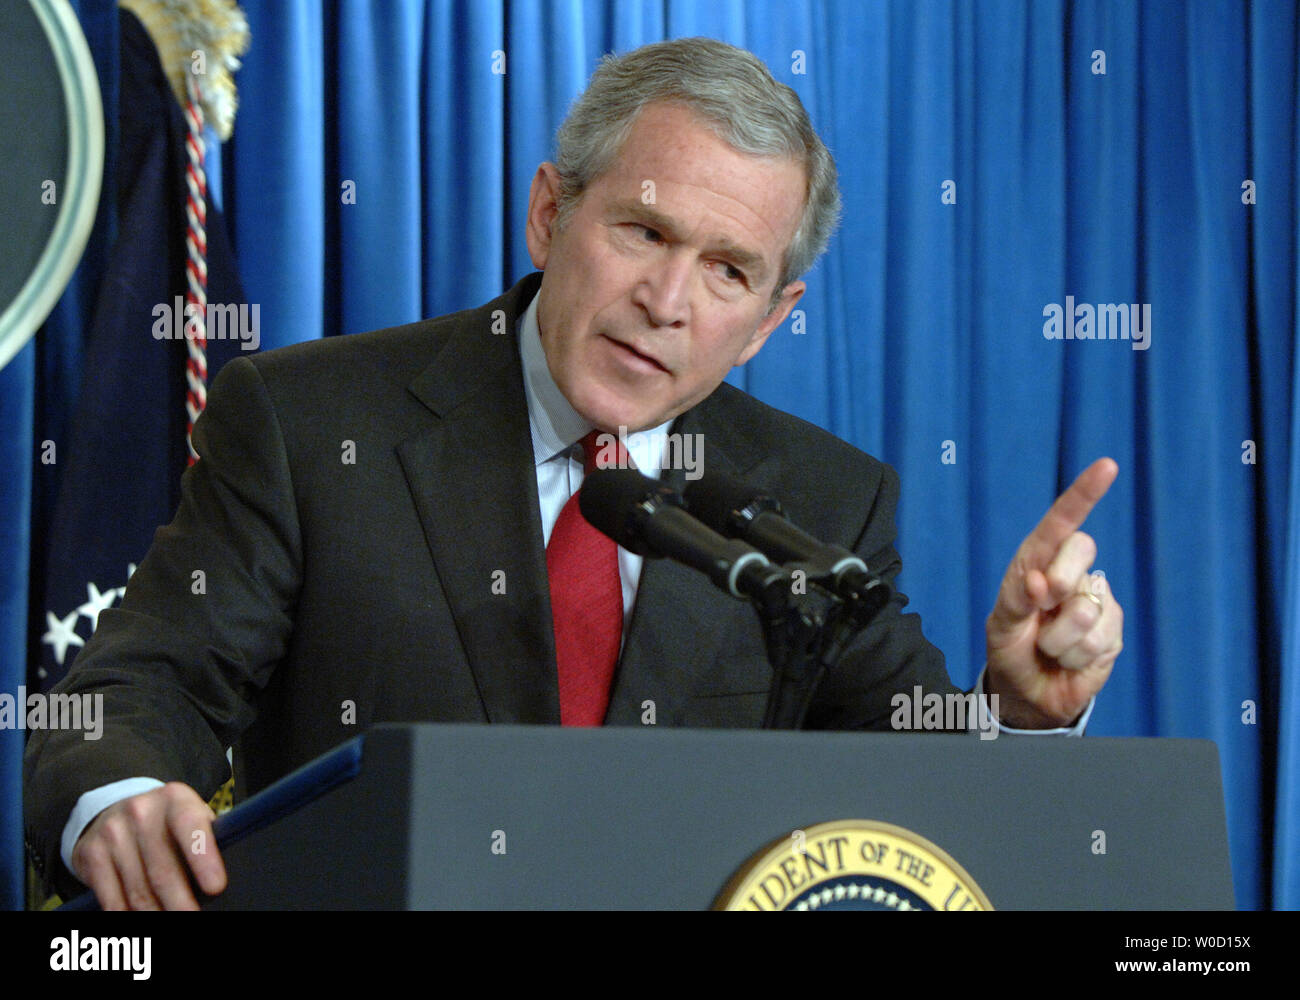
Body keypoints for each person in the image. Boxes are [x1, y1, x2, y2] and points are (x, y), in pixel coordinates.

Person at [23, 37, 1123, 910]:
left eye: (728, 270)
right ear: (553, 214)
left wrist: (1021, 712)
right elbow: (138, 688)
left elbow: (919, 800)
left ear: (769, 321)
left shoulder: (820, 499)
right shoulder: (311, 421)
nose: (670, 300)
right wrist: (118, 795)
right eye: (644, 231)